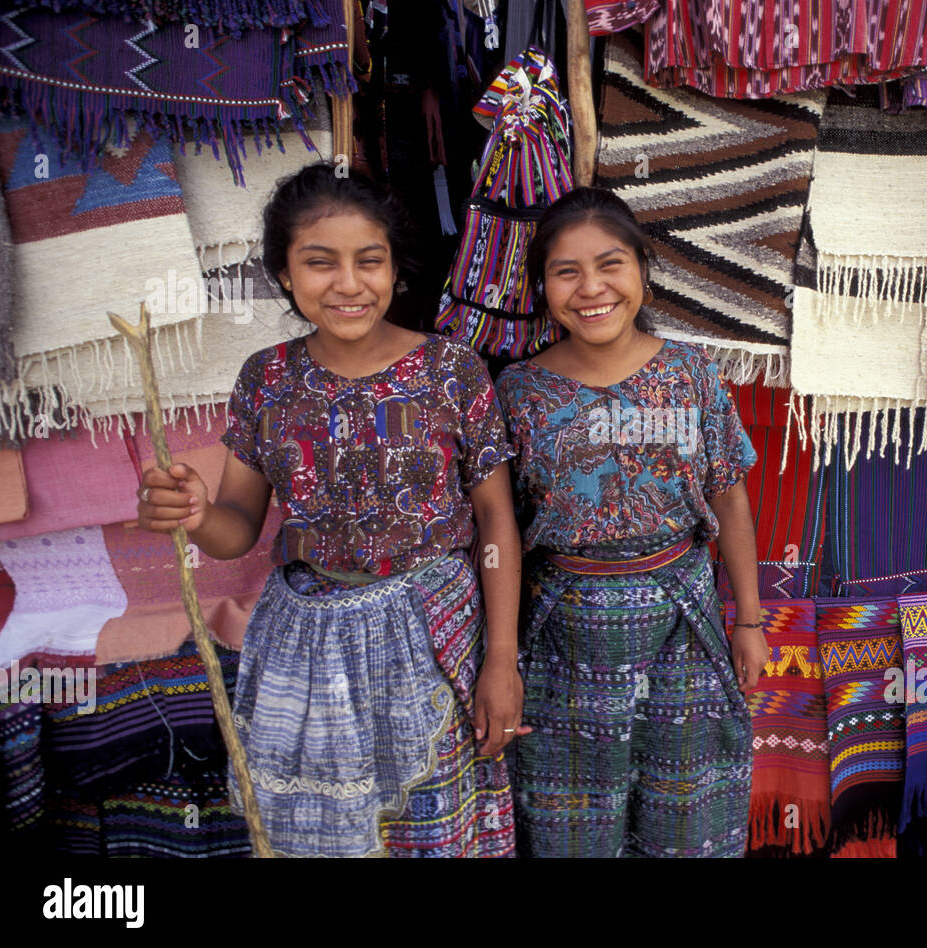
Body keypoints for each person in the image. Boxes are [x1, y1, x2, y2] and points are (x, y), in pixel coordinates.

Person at [135, 162, 529, 857]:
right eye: (320, 263)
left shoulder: (451, 370)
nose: (348, 284)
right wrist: (195, 513)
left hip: (434, 637)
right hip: (308, 648)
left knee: (430, 825)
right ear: (285, 274)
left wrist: (501, 658)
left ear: (395, 270)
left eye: (368, 261)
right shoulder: (268, 378)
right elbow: (236, 528)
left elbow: (496, 520)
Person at [496, 186, 770, 857]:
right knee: (571, 813)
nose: (591, 288)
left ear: (643, 272)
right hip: (565, 631)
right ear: (542, 288)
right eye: (566, 271)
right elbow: (498, 532)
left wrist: (750, 619)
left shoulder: (692, 376)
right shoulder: (518, 392)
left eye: (610, 264)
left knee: (685, 806)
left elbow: (730, 498)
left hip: (684, 617)